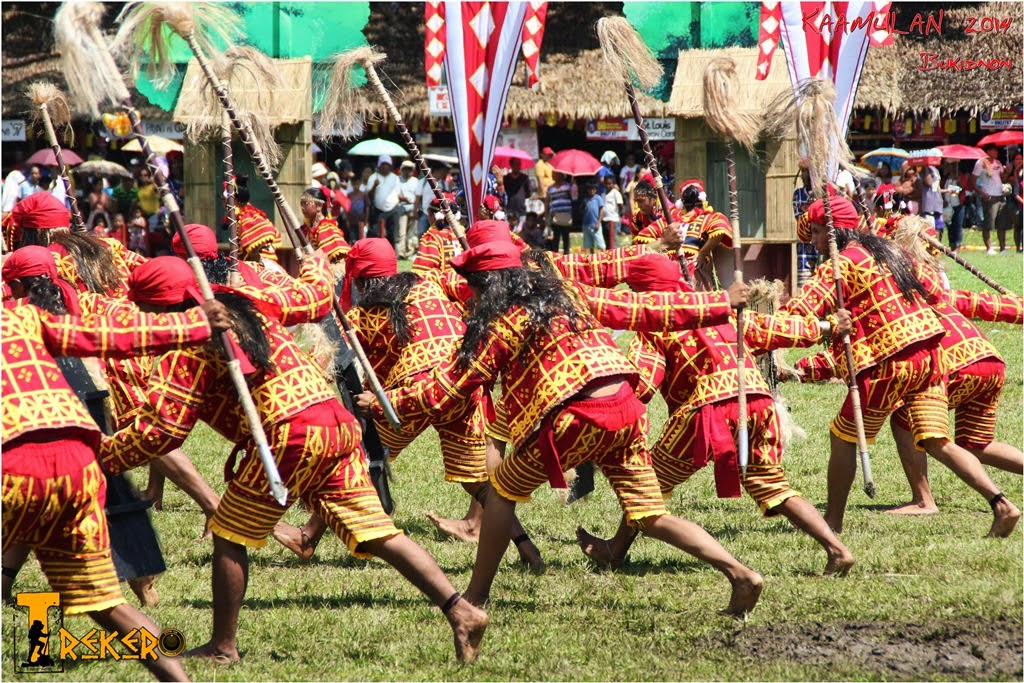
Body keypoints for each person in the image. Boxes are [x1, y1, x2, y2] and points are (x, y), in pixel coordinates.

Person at [99, 256, 489, 664]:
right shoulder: (250, 299)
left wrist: (101, 455)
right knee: (379, 533)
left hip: (290, 433)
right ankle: (461, 611)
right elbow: (316, 296)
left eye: (147, 312)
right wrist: (315, 265)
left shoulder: (191, 344)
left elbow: (162, 431)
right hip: (334, 423)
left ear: (163, 309)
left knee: (229, 534)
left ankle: (222, 647)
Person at [357, 240, 764, 617]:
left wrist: (384, 401)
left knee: (499, 493)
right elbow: (643, 311)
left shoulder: (503, 321)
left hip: (576, 414)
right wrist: (720, 303)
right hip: (625, 406)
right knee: (651, 514)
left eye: (473, 290)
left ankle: (476, 596)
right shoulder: (567, 291)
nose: (471, 299)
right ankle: (740, 573)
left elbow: (450, 388)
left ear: (488, 286)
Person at [2, 255, 231, 681]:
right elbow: (102, 336)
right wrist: (192, 325)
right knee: (107, 604)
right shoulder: (21, 318)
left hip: (11, 466)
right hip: (78, 464)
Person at [575, 253, 855, 576]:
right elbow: (777, 329)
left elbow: (644, 384)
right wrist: (830, 325)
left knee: (647, 484)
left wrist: (606, 416)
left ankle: (615, 550)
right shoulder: (722, 310)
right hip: (758, 401)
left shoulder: (657, 325)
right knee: (772, 485)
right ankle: (837, 549)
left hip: (707, 410)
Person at [275, 238, 541, 568]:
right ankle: (528, 549)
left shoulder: (367, 315)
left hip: (417, 394)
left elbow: (323, 359)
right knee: (478, 483)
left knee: (358, 458)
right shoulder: (428, 283)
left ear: (360, 280)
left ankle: (307, 537)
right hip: (462, 384)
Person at [782, 193, 1020, 538]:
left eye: (817, 233)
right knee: (937, 440)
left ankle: (831, 523)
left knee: (842, 437)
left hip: (889, 361)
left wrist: (766, 321)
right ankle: (1001, 504)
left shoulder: (842, 263)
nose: (814, 241)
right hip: (931, 355)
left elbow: (801, 312)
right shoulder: (891, 252)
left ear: (831, 233)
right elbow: (940, 296)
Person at [971, 143, 1007, 254]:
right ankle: (989, 248)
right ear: (988, 151)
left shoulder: (998, 163)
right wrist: (982, 193)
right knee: (989, 223)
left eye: (996, 151)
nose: (996, 153)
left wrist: (1007, 170)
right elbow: (972, 181)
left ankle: (1003, 248)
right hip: (989, 196)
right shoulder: (981, 163)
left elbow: (1003, 178)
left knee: (1002, 223)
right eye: (993, 150)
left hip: (1000, 195)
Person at [300, 187, 350, 264]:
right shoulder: (308, 227)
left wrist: (308, 258)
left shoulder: (326, 227)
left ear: (319, 206)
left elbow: (326, 252)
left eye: (306, 203)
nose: (302, 208)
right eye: (301, 204)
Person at [366, 155, 403, 246]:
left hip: (393, 209)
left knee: (393, 234)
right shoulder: (373, 177)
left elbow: (397, 194)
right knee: (377, 233)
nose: (385, 166)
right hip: (379, 210)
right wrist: (375, 185)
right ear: (379, 165)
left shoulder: (395, 178)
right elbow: (369, 196)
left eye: (388, 164)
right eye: (383, 164)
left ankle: (392, 254)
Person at [396, 160, 420, 259]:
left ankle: (410, 253)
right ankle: (400, 253)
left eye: (409, 169)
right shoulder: (397, 180)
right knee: (401, 232)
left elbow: (418, 196)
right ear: (401, 169)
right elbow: (394, 194)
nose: (407, 171)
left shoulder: (415, 181)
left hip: (413, 208)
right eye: (405, 169)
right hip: (401, 207)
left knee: (412, 232)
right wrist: (401, 198)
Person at [940, 159, 965, 252]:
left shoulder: (960, 176)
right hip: (948, 204)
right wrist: (943, 199)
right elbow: (942, 188)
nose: (952, 168)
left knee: (957, 225)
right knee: (950, 227)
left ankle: (958, 246)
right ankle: (952, 245)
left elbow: (964, 188)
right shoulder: (945, 177)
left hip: (958, 204)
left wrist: (959, 181)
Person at [546, 172, 573, 255]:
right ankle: (555, 255)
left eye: (555, 174)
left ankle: (566, 254)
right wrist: (546, 215)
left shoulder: (568, 186)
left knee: (566, 237)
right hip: (555, 216)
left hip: (566, 215)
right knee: (556, 237)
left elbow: (573, 197)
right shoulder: (550, 188)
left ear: (561, 175)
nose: (553, 175)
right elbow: (547, 202)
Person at [581, 183, 605, 253]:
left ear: (596, 190)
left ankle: (604, 255)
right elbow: (582, 210)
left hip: (595, 223)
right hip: (586, 224)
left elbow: (601, 211)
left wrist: (598, 222)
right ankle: (592, 257)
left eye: (593, 189)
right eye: (589, 189)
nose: (591, 191)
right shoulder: (586, 199)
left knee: (600, 241)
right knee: (589, 243)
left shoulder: (598, 198)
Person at [601, 176, 623, 251]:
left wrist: (618, 216)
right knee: (606, 239)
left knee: (612, 240)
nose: (608, 186)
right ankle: (608, 254)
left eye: (610, 184)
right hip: (604, 219)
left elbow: (620, 205)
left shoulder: (615, 193)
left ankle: (614, 254)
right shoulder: (603, 194)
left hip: (612, 219)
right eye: (606, 184)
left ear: (614, 184)